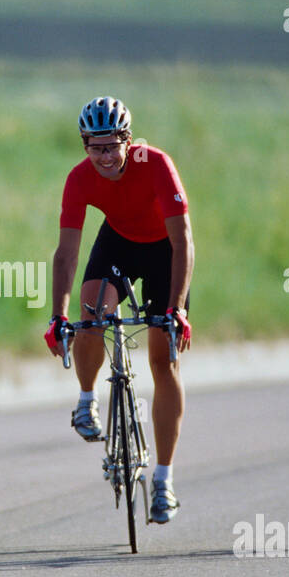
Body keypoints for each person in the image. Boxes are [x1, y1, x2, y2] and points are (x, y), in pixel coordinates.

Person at [45, 97, 194, 523]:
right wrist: (58, 316)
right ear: (84, 146)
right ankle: (88, 399)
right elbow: (66, 254)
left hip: (164, 250)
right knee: (90, 316)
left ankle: (163, 480)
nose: (106, 157)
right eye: (97, 148)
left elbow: (183, 241)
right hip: (119, 243)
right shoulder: (78, 179)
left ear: (128, 141)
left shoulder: (156, 164)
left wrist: (177, 309)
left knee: (162, 358)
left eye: (113, 146)